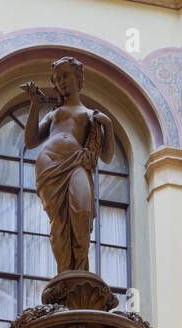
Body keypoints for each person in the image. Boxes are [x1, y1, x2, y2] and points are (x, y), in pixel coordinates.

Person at [22, 57, 116, 275]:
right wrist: (34, 105)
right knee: (60, 223)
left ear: (79, 77)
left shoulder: (92, 115)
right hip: (49, 164)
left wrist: (108, 126)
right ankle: (66, 272)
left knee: (82, 211)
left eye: (65, 75)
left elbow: (107, 156)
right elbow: (31, 140)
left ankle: (79, 269)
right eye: (57, 79)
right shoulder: (53, 114)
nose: (61, 81)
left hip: (77, 165)